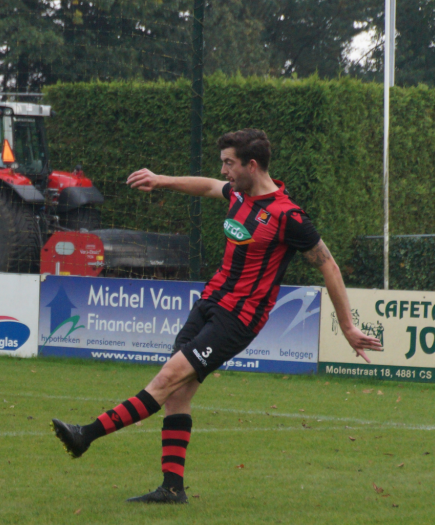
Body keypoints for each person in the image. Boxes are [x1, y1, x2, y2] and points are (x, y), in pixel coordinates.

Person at [50, 129, 381, 503]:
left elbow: (330, 266)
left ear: (251, 165)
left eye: (229, 163)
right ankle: (172, 489)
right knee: (177, 394)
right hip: (209, 303)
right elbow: (207, 187)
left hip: (238, 320)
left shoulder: (288, 216)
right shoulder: (238, 194)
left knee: (166, 378)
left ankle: (85, 435)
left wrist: (348, 327)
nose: (223, 170)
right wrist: (161, 180)